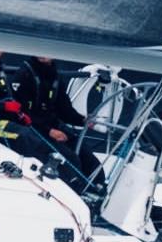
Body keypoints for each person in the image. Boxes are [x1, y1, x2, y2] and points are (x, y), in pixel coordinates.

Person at [17, 56, 104, 195]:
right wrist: (49, 131)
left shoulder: (55, 75)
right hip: (33, 128)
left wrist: (83, 120)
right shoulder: (24, 74)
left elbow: (64, 108)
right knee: (70, 159)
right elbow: (20, 112)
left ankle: (98, 190)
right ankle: (77, 194)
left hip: (54, 125)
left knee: (89, 159)